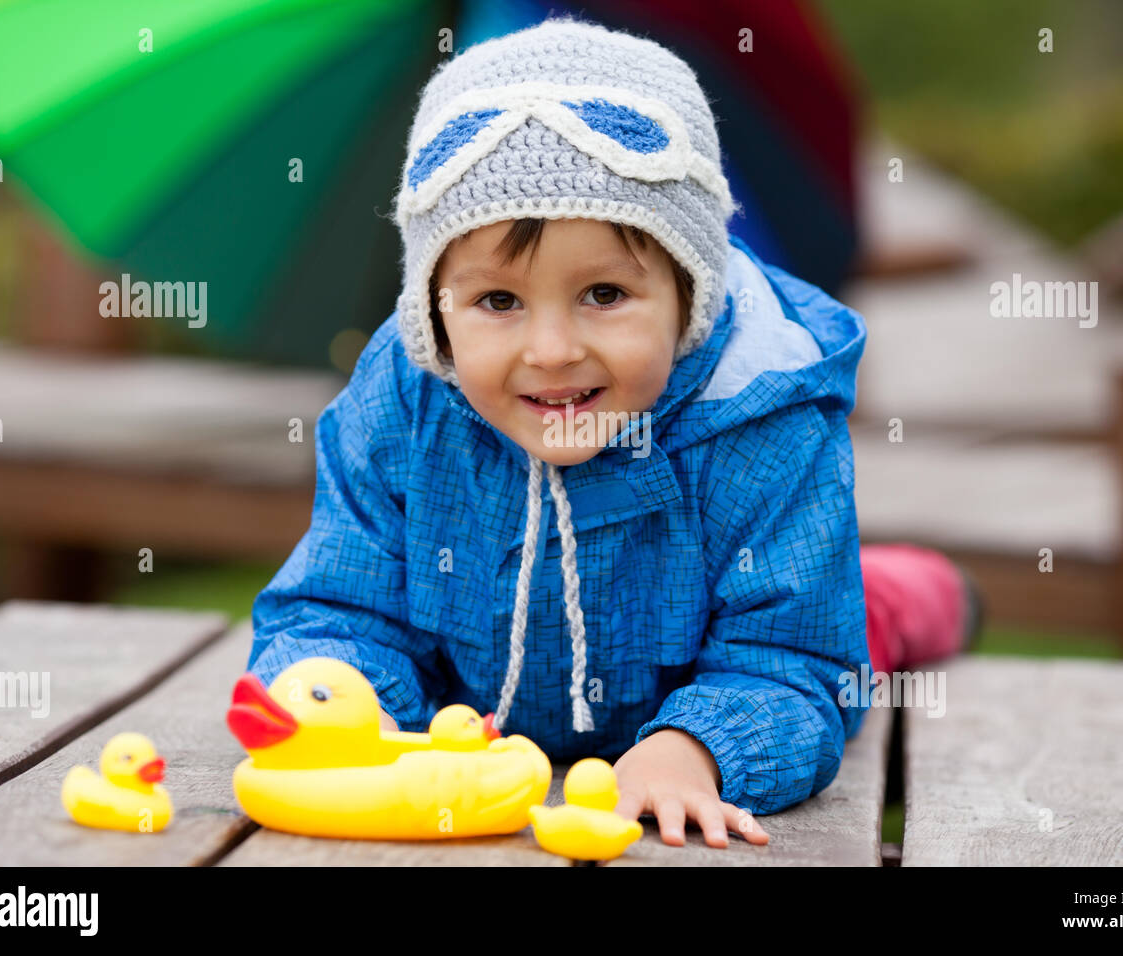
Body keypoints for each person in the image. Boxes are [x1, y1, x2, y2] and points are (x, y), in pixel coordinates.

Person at [247, 16, 979, 849]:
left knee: (859, 625)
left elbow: (787, 661)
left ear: (688, 297)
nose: (552, 351)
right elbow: (344, 604)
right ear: (435, 312)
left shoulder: (761, 419)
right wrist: (337, 696)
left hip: (746, 637)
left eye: (603, 295)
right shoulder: (402, 405)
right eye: (497, 302)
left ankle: (913, 592)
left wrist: (692, 750)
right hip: (491, 697)